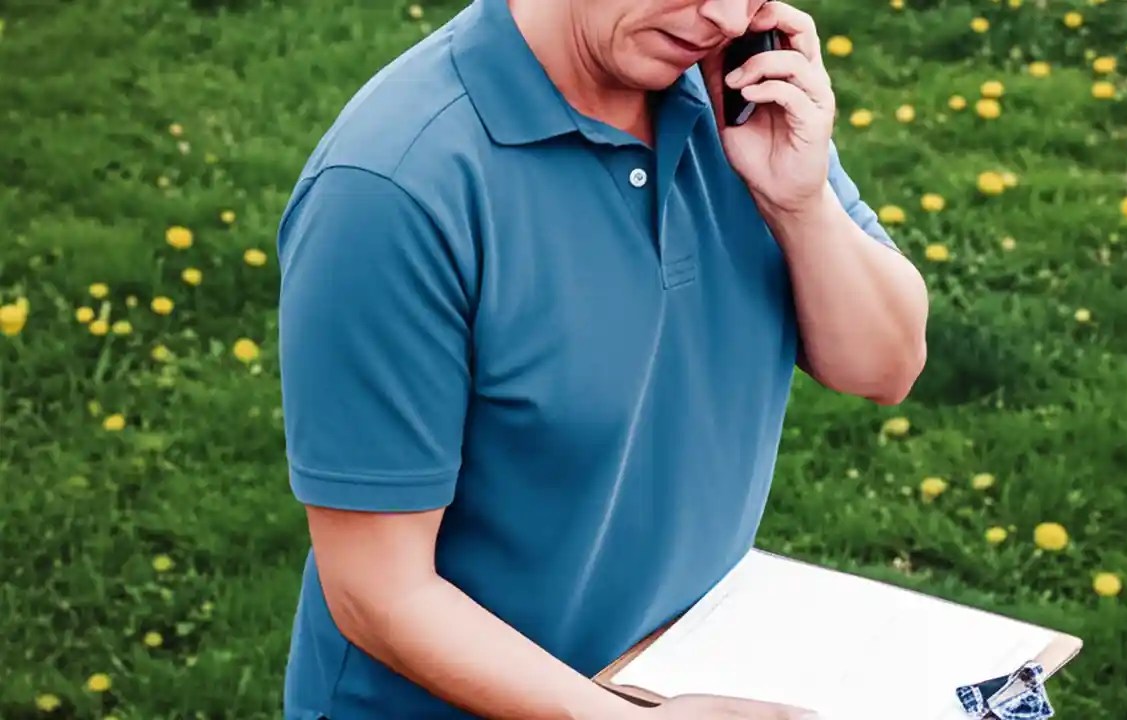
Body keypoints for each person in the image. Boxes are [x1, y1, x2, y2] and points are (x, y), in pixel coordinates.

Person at [273, 0, 929, 717]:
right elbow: (377, 592)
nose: (725, 15)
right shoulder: (391, 189)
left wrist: (800, 206)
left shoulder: (733, 96)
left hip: (672, 672)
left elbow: (885, 366)